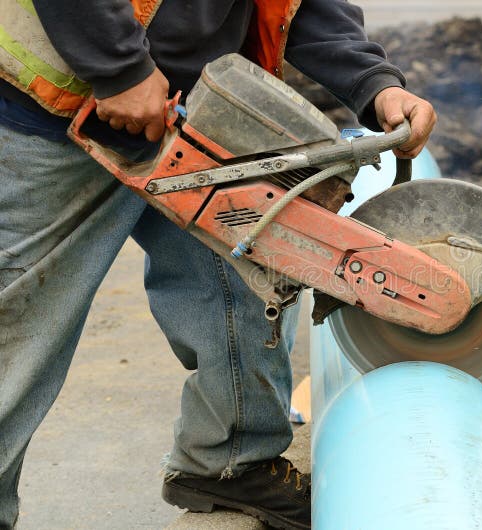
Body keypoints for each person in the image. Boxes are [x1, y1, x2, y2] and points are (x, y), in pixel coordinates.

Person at [0, 1, 436, 528]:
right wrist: (118, 69)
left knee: (243, 270)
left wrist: (373, 82)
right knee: (17, 326)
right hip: (55, 105)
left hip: (195, 111)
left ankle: (232, 460)